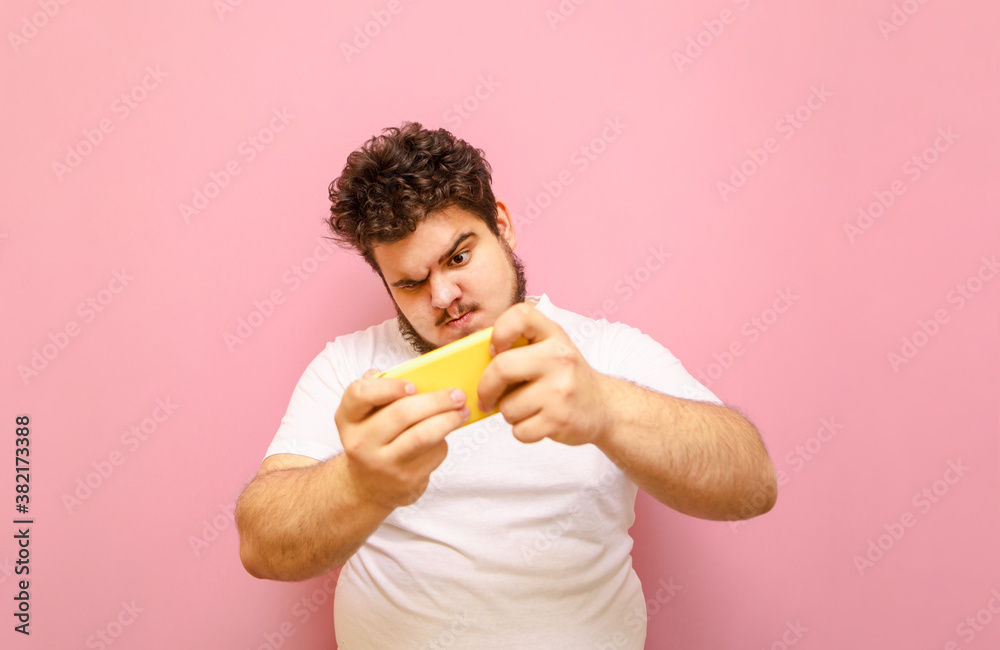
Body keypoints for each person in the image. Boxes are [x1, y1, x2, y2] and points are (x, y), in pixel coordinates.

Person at [235, 122, 777, 649]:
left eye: (459, 257)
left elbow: (751, 485)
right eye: (411, 283)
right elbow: (262, 547)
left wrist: (605, 407)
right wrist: (361, 485)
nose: (444, 296)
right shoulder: (348, 369)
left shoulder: (605, 352)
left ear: (502, 225)